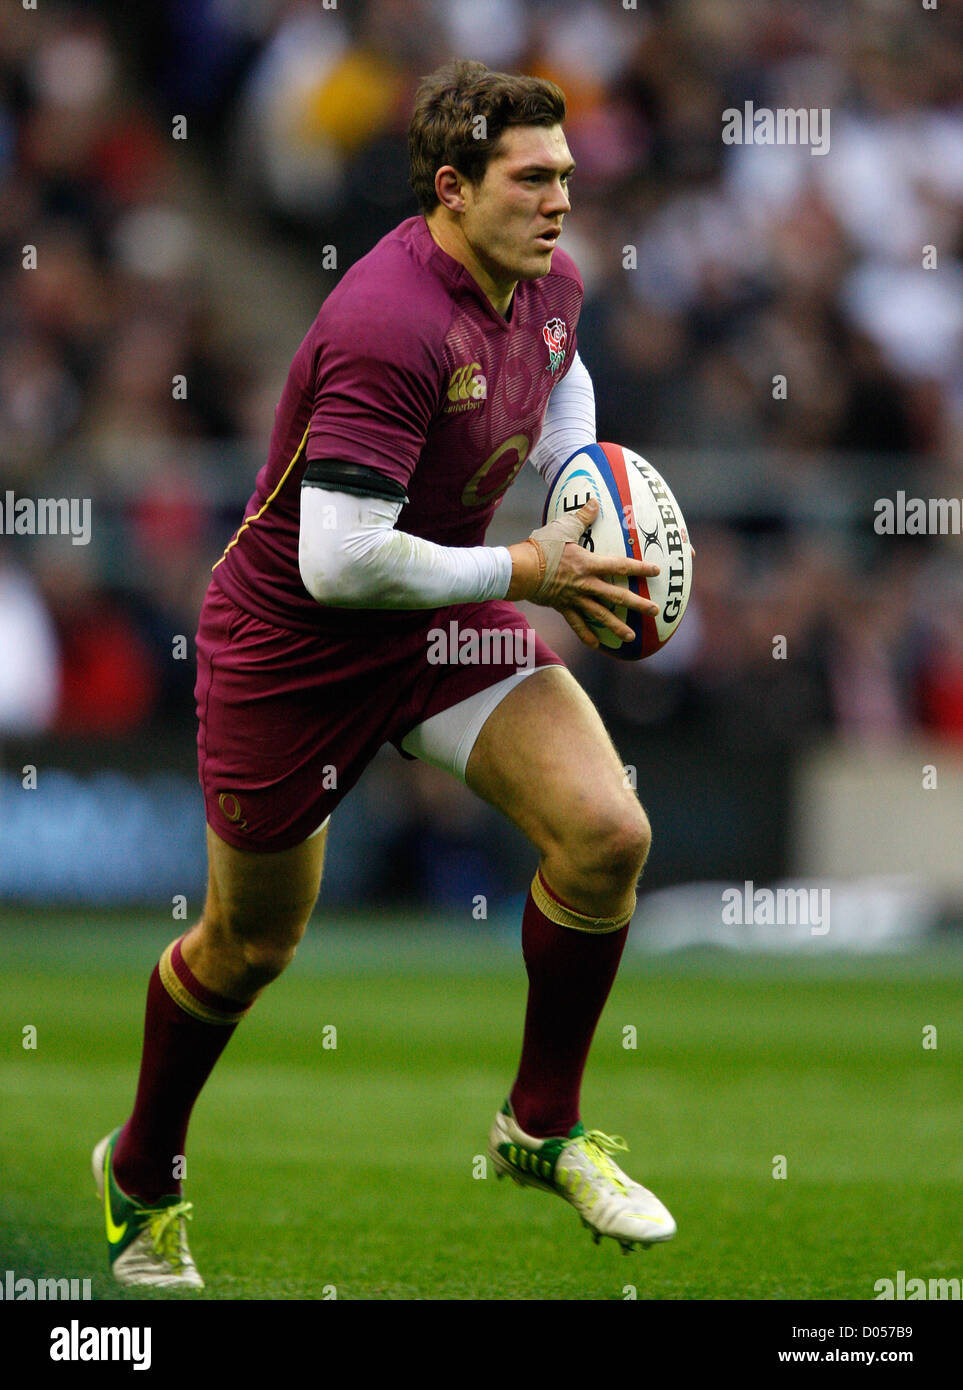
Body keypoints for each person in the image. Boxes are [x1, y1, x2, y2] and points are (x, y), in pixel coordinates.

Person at [93, 59, 677, 1290]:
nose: (560, 200)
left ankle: (541, 1129)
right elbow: (342, 563)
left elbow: (562, 371)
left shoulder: (549, 278)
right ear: (453, 190)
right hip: (293, 652)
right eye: (533, 179)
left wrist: (581, 494)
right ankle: (140, 1172)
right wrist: (529, 565)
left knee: (607, 834)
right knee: (249, 950)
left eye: (567, 175)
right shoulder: (387, 324)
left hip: (436, 626)